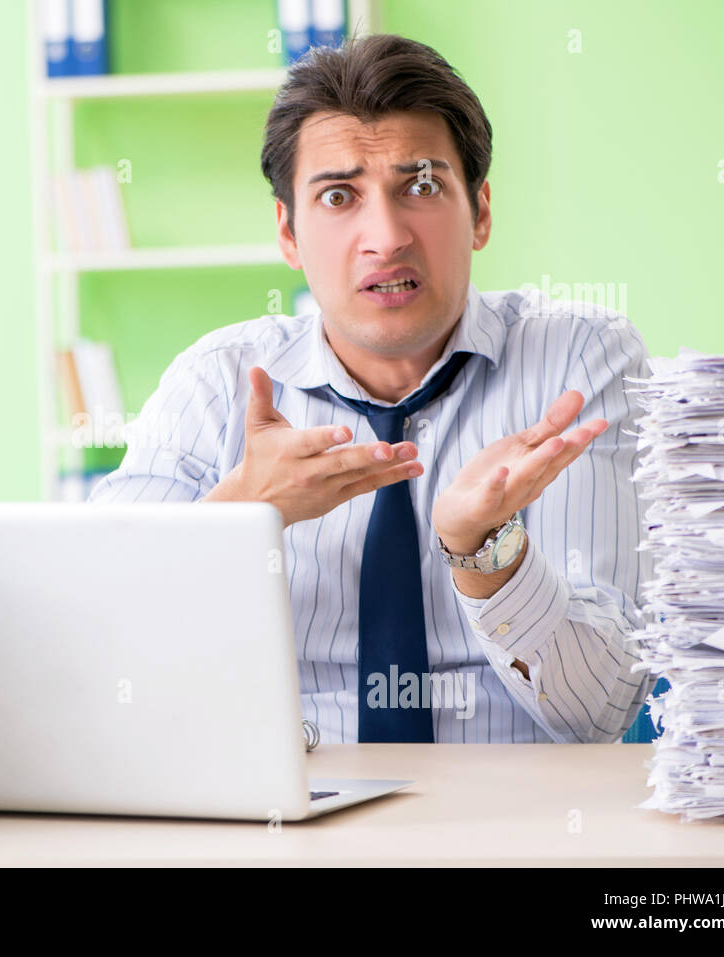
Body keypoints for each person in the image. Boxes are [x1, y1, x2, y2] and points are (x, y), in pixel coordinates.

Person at [87, 34, 652, 744]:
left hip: (513, 821)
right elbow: (96, 643)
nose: (385, 237)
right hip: (288, 818)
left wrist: (485, 553)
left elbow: (602, 712)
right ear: (288, 235)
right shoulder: (214, 383)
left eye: (421, 186)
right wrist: (239, 512)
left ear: (479, 211)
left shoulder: (581, 358)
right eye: (338, 196)